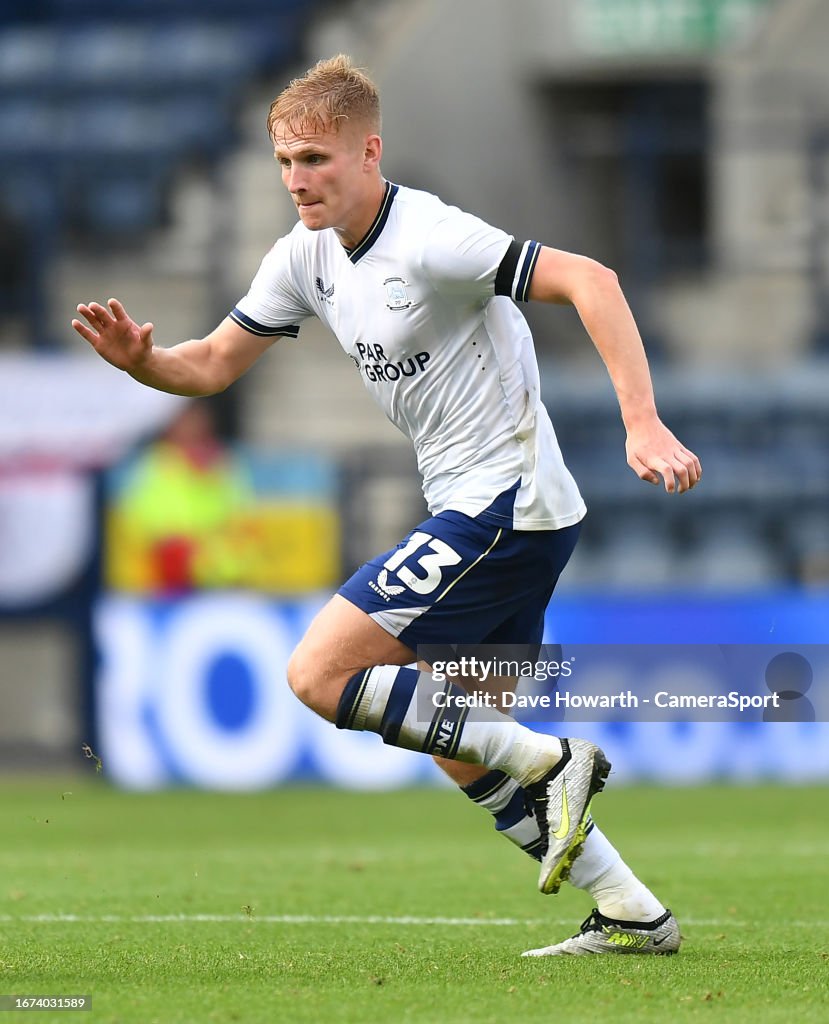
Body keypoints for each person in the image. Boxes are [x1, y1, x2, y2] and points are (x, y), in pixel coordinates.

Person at [72, 55, 701, 957]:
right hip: (510, 511)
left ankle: (552, 759)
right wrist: (143, 360)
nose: (298, 180)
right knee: (458, 741)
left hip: (504, 503)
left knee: (317, 676)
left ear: (369, 152)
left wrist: (640, 424)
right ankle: (630, 913)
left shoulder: (431, 236)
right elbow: (209, 364)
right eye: (286, 161)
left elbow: (591, 279)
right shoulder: (302, 257)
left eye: (317, 160)